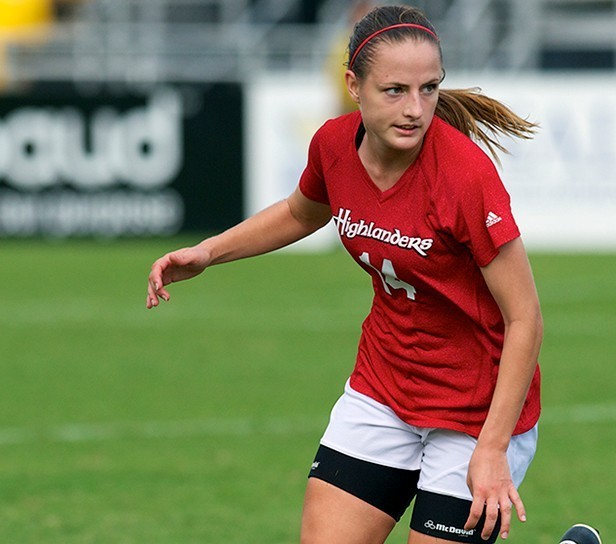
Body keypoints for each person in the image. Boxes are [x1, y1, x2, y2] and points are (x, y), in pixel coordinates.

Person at [146, 5, 546, 543]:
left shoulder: (465, 176)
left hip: (475, 410)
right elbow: (300, 212)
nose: (415, 109)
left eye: (429, 89)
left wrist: (493, 448)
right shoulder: (334, 144)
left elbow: (525, 319)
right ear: (353, 85)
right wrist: (208, 252)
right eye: (395, 90)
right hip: (383, 391)